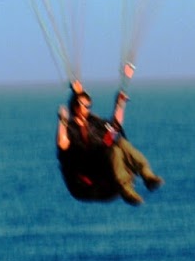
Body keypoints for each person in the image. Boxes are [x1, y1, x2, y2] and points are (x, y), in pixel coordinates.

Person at [56, 64, 163, 205]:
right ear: (76, 107)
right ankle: (125, 188)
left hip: (104, 175)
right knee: (113, 150)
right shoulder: (70, 128)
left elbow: (115, 127)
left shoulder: (95, 122)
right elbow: (62, 144)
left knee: (120, 143)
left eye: (90, 106)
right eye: (86, 106)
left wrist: (119, 104)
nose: (89, 109)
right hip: (85, 182)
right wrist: (62, 121)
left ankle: (146, 175)